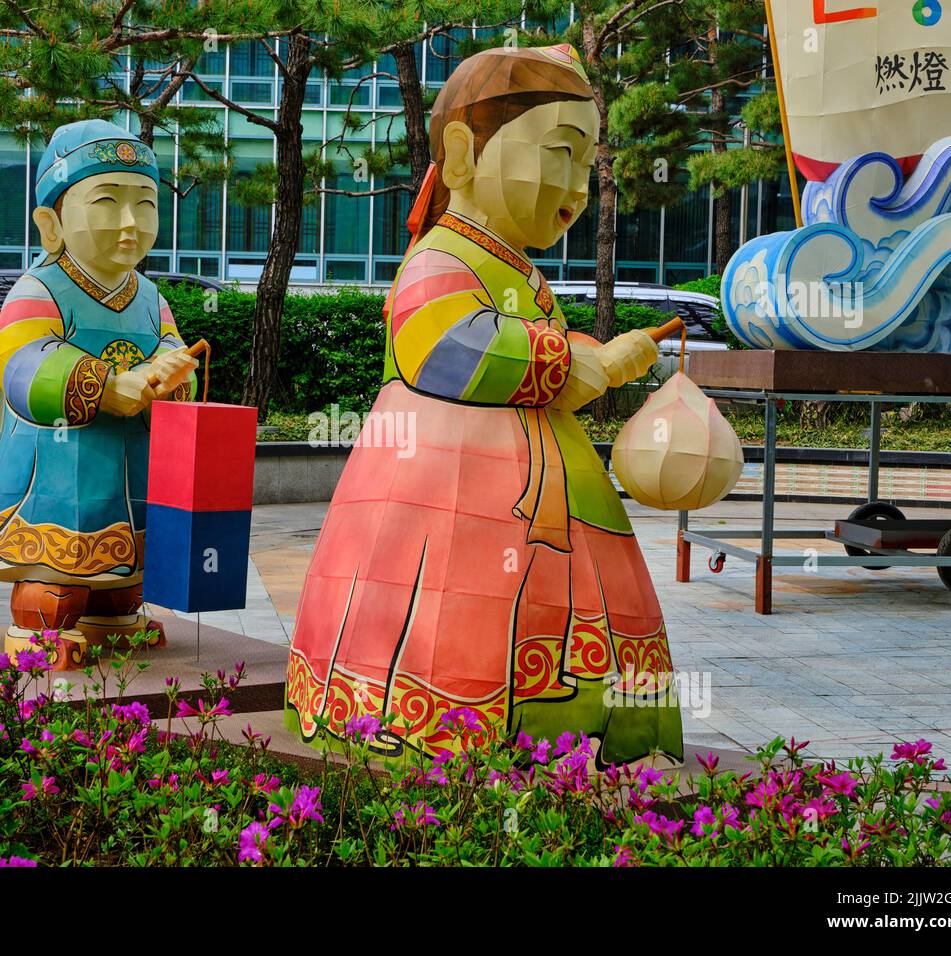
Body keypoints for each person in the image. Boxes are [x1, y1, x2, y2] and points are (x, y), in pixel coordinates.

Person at [285, 45, 682, 767]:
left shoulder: (516, 270)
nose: (578, 186)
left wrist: (592, 360)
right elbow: (442, 347)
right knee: (448, 615)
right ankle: (446, 728)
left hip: (542, 503)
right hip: (436, 497)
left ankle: (569, 735)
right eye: (559, 154)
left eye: (586, 162)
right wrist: (569, 360)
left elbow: (523, 352)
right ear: (464, 154)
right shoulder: (441, 257)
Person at [0, 119, 197, 668]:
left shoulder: (149, 296)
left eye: (145, 204)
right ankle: (40, 627)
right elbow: (20, 362)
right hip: (54, 462)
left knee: (121, 576)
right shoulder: (41, 288)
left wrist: (173, 375)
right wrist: (100, 386)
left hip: (131, 461)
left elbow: (173, 346)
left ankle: (114, 614)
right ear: (51, 224)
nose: (130, 223)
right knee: (56, 574)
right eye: (105, 202)